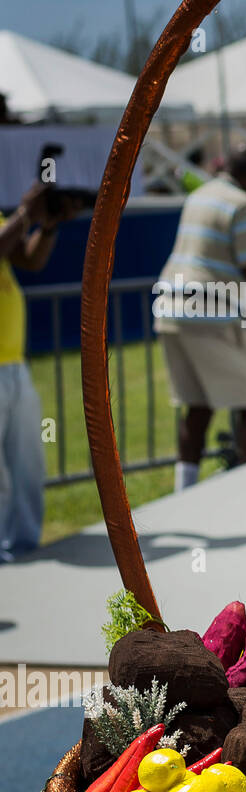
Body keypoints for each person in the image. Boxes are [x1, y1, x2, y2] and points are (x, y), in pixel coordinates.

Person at [154, 144, 246, 493]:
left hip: (170, 307)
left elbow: (237, 252)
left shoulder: (202, 194)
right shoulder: (243, 203)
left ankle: (185, 490)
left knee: (197, 406)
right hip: (210, 311)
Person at [0, 181, 81, 561]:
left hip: (13, 362)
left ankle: (23, 546)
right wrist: (24, 214)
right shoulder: (11, 218)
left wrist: (46, 225)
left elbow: (30, 260)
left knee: (27, 464)